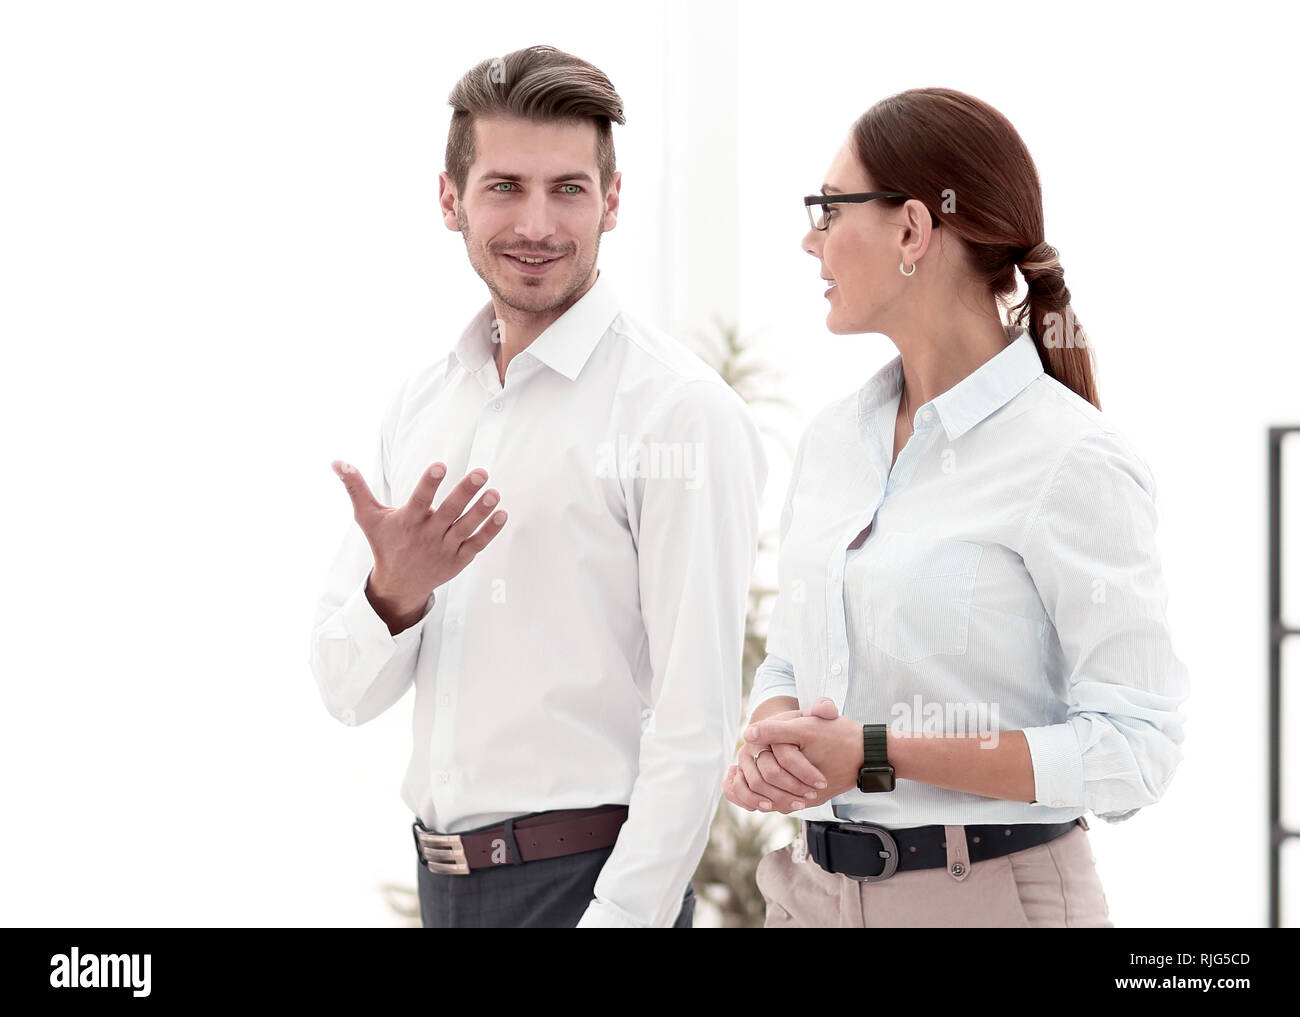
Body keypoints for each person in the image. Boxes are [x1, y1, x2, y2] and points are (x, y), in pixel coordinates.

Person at [308, 45, 767, 928]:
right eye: (505, 186)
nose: (538, 223)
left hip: (587, 888)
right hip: (442, 884)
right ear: (451, 199)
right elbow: (344, 692)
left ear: (614, 200)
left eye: (568, 188)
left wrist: (621, 917)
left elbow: (696, 714)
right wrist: (393, 593)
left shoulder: (678, 412)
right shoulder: (423, 404)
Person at [723, 87, 1189, 928]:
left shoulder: (1070, 458)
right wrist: (774, 736)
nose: (809, 237)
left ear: (912, 229)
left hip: (991, 900)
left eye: (829, 210)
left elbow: (1135, 750)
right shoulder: (833, 442)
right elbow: (790, 664)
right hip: (811, 896)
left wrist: (872, 756)